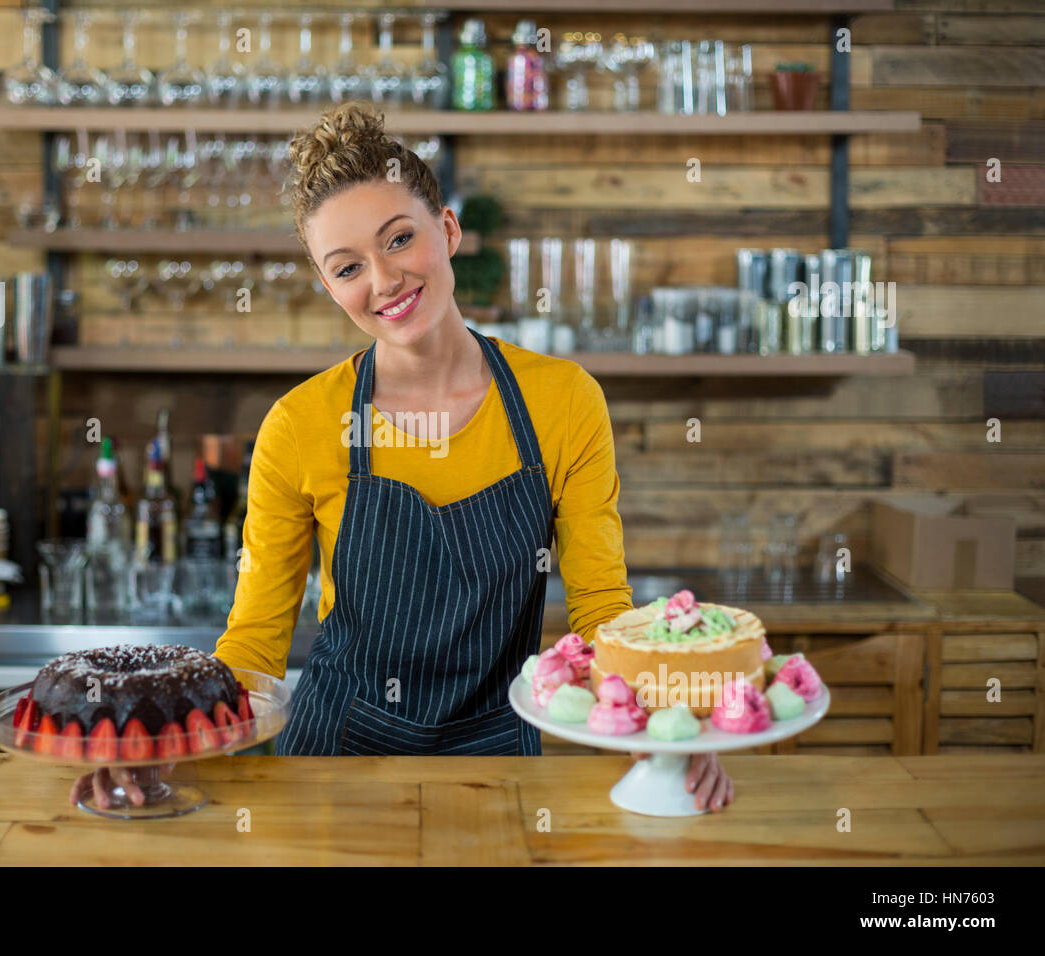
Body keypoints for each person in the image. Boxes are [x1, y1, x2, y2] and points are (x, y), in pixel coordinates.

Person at [71, 101, 733, 812]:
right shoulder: (300, 425)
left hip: (500, 772)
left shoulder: (563, 402)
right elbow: (257, 642)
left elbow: (602, 609)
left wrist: (668, 734)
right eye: (348, 266)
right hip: (331, 771)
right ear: (329, 288)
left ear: (447, 231)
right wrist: (160, 749)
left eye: (399, 239)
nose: (383, 280)